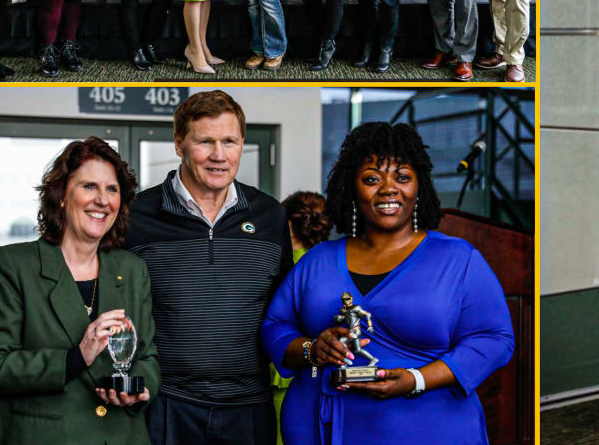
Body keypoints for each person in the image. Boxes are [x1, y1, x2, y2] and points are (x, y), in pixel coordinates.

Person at [261, 122, 514, 445]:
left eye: (403, 177)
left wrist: (417, 379)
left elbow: (495, 338)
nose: (388, 188)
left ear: (419, 186)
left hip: (429, 429)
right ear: (351, 188)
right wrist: (311, 349)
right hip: (321, 426)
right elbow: (275, 326)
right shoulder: (318, 260)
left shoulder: (458, 259)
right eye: (371, 179)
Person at [125, 90, 294, 445]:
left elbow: (283, 311)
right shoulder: (136, 216)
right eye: (205, 141)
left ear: (241, 144)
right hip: (165, 404)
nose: (219, 155)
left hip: (249, 405)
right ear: (179, 144)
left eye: (229, 141)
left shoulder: (269, 214)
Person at [0, 137, 159, 445]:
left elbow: (147, 357)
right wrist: (75, 357)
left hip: (120, 436)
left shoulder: (132, 268)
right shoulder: (12, 265)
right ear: (61, 196)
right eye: (89, 187)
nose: (102, 200)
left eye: (111, 189)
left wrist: (140, 391)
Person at [270, 192, 332, 445]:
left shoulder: (280, 266)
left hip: (280, 368)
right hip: (321, 371)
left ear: (286, 223)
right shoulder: (330, 264)